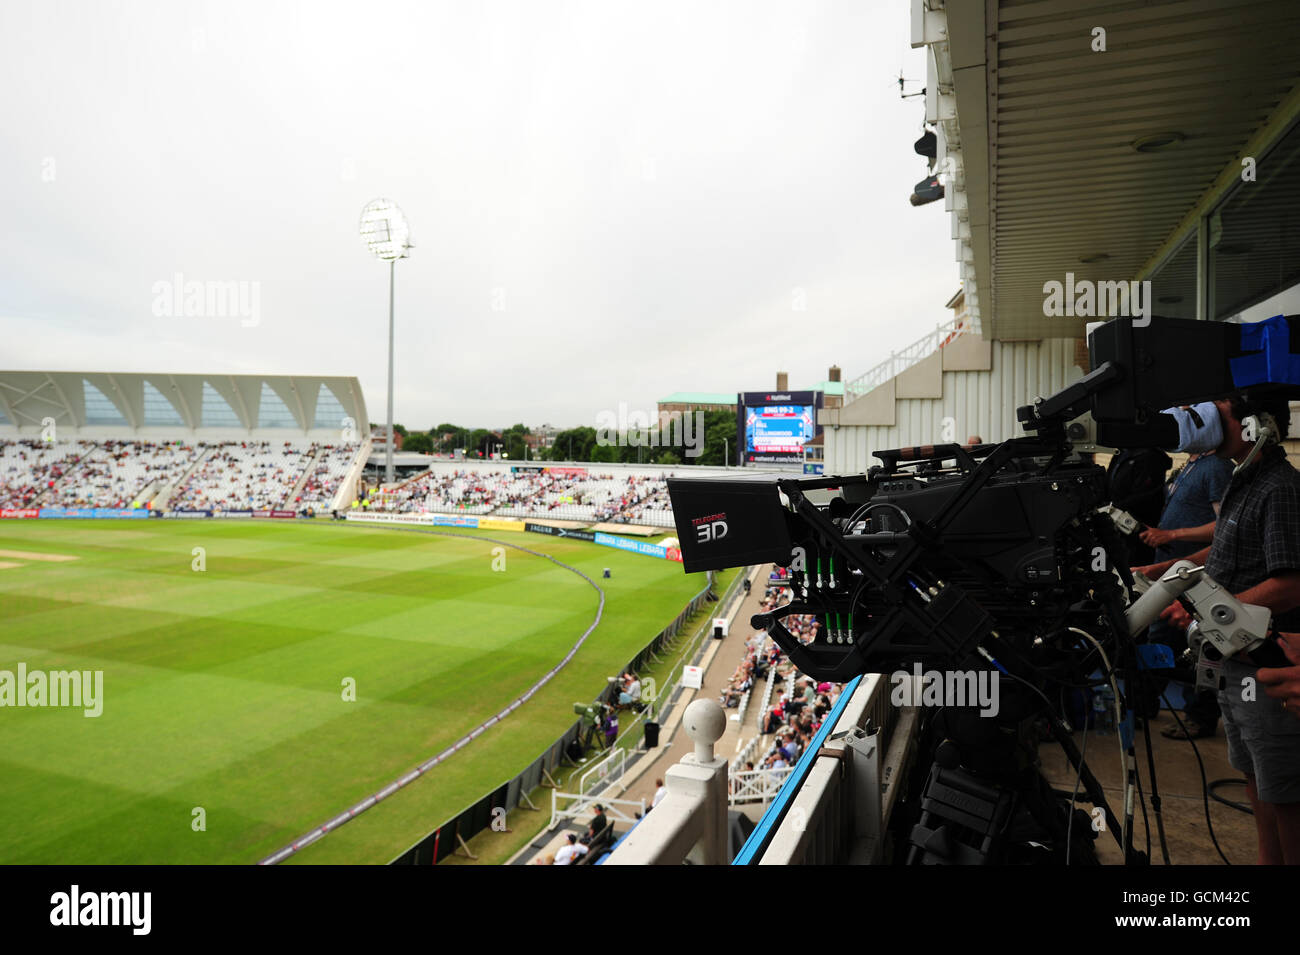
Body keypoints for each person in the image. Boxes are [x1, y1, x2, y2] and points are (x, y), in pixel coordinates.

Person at [1134, 395, 1300, 865]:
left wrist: (1212, 612)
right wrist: (1168, 567)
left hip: (1267, 668)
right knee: (1257, 779)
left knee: (1285, 792)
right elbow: (1225, 544)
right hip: (1235, 665)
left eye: (1220, 413)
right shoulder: (1241, 482)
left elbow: (1290, 586)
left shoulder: (1281, 489)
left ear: (1253, 426)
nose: (1205, 422)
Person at [1134, 444, 1234, 738]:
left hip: (1197, 576)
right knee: (1160, 640)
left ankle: (1199, 717)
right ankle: (1144, 705)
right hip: (1171, 573)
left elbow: (1224, 528)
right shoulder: (1192, 463)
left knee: (1202, 647)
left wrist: (1172, 534)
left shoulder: (1216, 466)